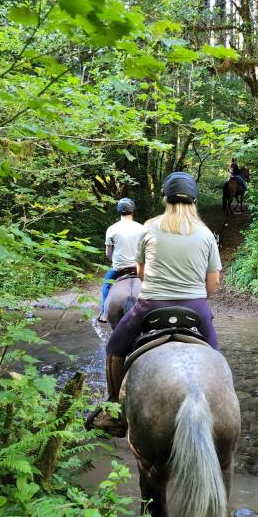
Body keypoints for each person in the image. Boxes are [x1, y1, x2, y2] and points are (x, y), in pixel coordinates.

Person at [88, 172, 222, 434]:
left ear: (166, 198)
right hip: (195, 308)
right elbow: (214, 283)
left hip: (151, 306)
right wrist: (195, 296)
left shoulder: (149, 227)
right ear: (193, 200)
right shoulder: (206, 234)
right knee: (216, 358)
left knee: (114, 348)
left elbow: (140, 272)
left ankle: (114, 411)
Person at [98, 198, 145, 323]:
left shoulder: (112, 229)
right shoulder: (141, 228)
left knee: (106, 286)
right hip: (138, 267)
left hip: (119, 268)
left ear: (119, 211)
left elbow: (108, 253)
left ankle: (104, 313)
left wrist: (114, 260)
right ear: (132, 211)